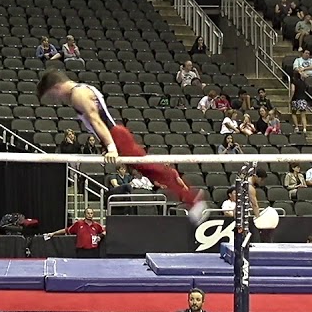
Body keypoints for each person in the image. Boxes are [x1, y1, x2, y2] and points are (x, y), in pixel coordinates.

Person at [38, 70, 207, 221]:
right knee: (152, 171)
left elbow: (96, 121)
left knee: (154, 170)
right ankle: (191, 198)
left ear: (56, 87)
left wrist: (111, 147)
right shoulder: (81, 90)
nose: (56, 100)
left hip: (116, 137)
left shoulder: (78, 94)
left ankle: (193, 199)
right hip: (115, 136)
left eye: (53, 96)